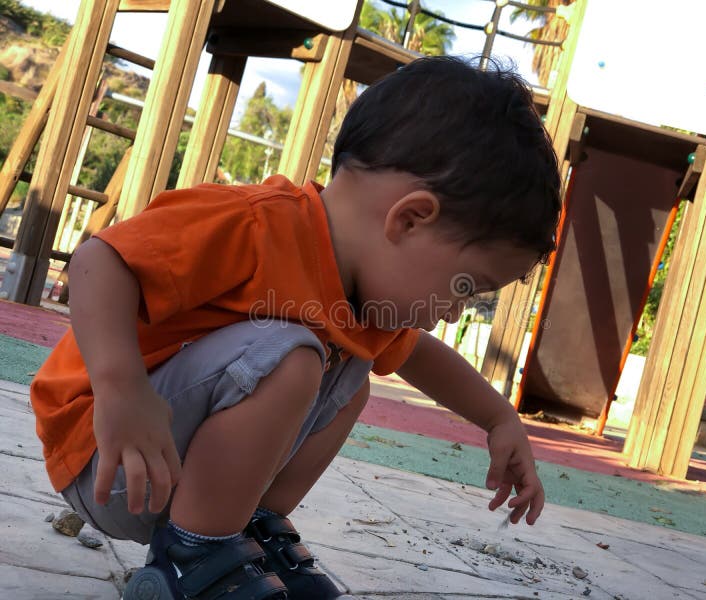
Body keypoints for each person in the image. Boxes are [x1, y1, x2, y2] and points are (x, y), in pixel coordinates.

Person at [30, 56, 561, 599]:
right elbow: (98, 262)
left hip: (167, 470)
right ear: (409, 218)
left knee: (351, 368)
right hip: (109, 452)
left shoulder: (363, 302)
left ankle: (242, 536)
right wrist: (123, 391)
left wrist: (499, 418)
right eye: (467, 285)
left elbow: (420, 353)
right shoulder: (255, 222)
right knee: (293, 355)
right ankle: (192, 560)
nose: (455, 310)